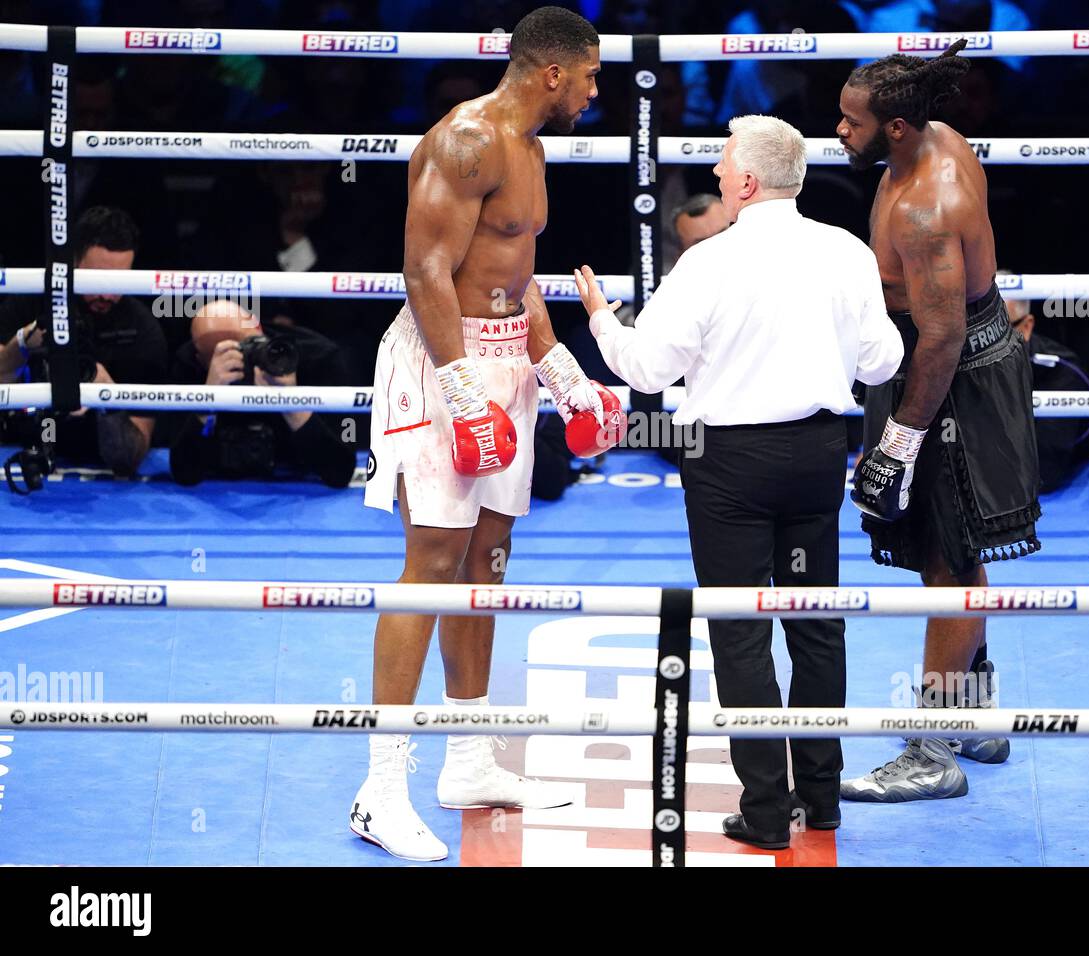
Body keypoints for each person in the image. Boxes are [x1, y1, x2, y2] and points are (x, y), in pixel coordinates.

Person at [573, 114, 904, 850]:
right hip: (818, 454)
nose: (717, 177)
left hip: (730, 467)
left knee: (742, 633)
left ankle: (765, 812)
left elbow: (649, 371)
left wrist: (601, 321)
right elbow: (883, 363)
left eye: (724, 166)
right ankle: (820, 801)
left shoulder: (709, 264)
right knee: (816, 624)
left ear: (749, 181)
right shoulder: (845, 252)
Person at [355, 6, 614, 862]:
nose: (594, 89)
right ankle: (379, 789)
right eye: (589, 75)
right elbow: (425, 268)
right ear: (552, 73)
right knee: (431, 561)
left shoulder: (532, 150)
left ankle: (468, 759)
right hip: (442, 365)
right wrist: (461, 386)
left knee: (486, 560)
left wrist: (561, 372)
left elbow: (513, 277)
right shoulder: (467, 139)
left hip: (506, 364)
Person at [835, 41, 1041, 803]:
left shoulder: (926, 208)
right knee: (951, 550)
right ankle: (972, 709)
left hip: (945, 376)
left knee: (947, 562)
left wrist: (896, 443)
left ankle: (933, 750)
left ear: (894, 126)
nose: (838, 132)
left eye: (851, 122)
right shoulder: (933, 143)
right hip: (943, 359)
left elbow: (944, 336)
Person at [0, 206, 165, 477]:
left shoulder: (143, 332)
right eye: (97, 279)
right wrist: (22, 343)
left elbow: (129, 459)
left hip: (98, 465)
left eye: (119, 281)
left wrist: (106, 400)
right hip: (18, 446)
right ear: (73, 263)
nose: (107, 294)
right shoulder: (33, 299)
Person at [168, 300, 356, 489]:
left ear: (258, 327)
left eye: (247, 344)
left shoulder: (317, 357)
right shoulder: (188, 365)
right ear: (201, 359)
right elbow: (185, 473)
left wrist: (292, 406)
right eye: (224, 352)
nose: (241, 357)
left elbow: (341, 471)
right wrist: (209, 400)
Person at [1002, 275, 1089, 493]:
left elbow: (1042, 473)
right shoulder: (954, 360)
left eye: (996, 329)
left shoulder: (1061, 371)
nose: (981, 339)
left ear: (1025, 327)